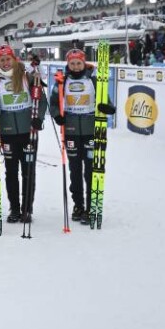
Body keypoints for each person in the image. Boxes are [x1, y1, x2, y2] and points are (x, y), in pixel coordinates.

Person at [0, 45, 47, 223]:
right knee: (11, 172)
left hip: (28, 130)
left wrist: (38, 118)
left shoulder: (27, 75)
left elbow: (41, 100)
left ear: (14, 59)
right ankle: (14, 209)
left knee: (28, 171)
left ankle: (27, 209)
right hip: (8, 130)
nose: (4, 63)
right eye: (1, 60)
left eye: (7, 59)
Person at [50, 48, 115, 223]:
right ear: (68, 64)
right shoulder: (62, 81)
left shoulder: (93, 79)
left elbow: (106, 102)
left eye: (79, 63)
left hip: (90, 131)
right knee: (75, 171)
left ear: (84, 63)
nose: (76, 66)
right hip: (71, 131)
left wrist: (108, 108)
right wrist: (57, 115)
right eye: (73, 63)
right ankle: (78, 205)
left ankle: (89, 207)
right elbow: (53, 103)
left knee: (90, 171)